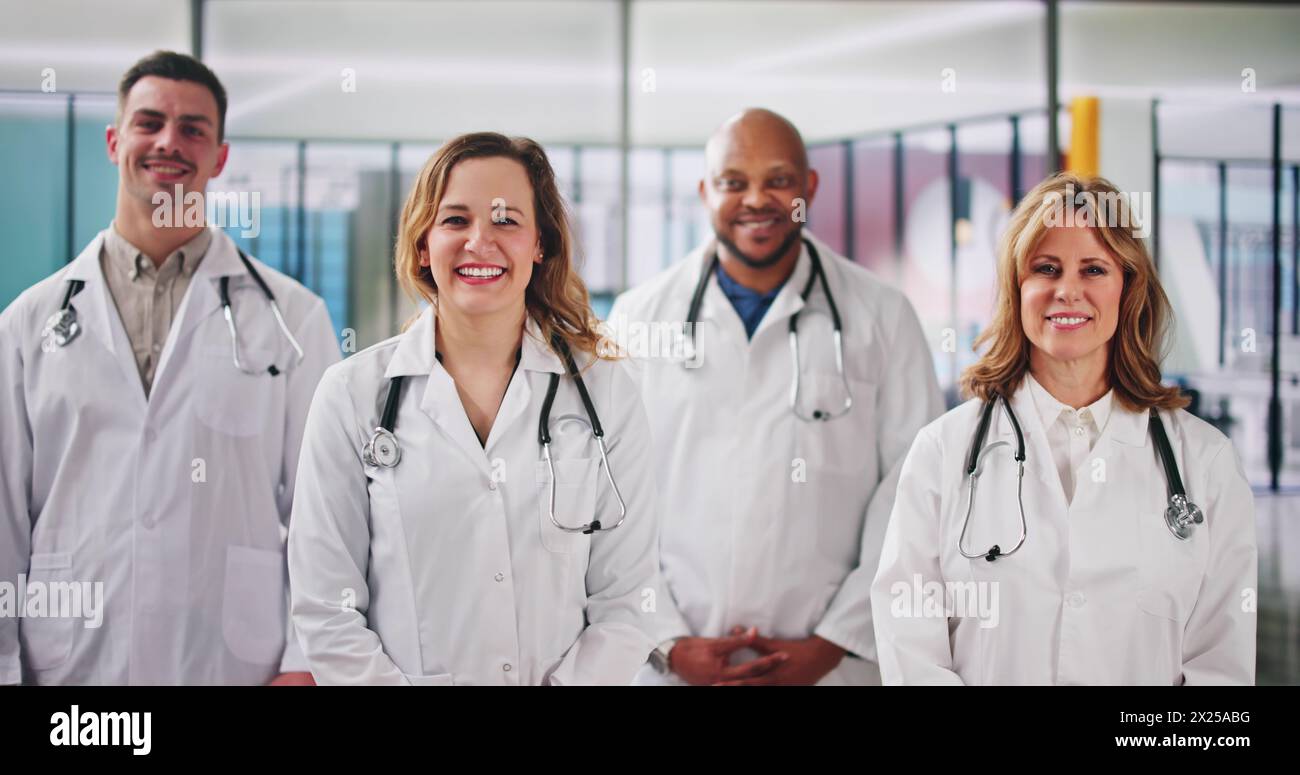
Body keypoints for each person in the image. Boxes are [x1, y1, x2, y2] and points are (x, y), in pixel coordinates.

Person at [0, 50, 339, 685]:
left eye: (193, 129)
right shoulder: (27, 323)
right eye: (148, 122)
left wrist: (305, 662)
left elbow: (326, 512)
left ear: (220, 157)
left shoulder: (295, 317)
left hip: (233, 661)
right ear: (114, 141)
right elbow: (3, 515)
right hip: (71, 666)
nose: (168, 142)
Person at [288, 132, 664, 685]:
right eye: (455, 220)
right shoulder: (351, 395)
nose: (479, 242)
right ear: (423, 245)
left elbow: (628, 602)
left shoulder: (606, 392)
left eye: (506, 220)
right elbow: (327, 608)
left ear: (540, 243)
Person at [870, 172, 1257, 685]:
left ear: (1128, 287)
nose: (1067, 291)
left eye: (1093, 269)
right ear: (1017, 287)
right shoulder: (942, 451)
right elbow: (909, 642)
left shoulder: (1205, 462)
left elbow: (1221, 666)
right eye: (1046, 268)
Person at [608, 109, 942, 685]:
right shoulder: (639, 318)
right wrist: (666, 639)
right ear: (705, 192)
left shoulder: (882, 316)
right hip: (674, 667)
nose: (756, 199)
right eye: (733, 182)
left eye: (778, 180)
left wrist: (834, 642)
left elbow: (913, 496)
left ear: (808, 188)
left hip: (829, 669)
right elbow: (609, 497)